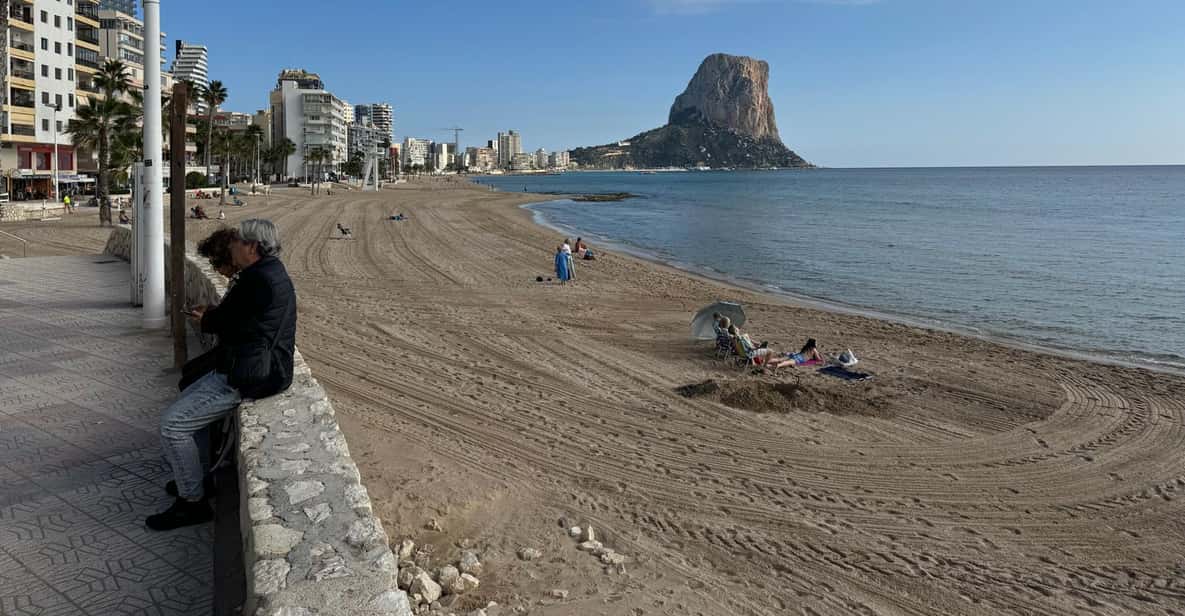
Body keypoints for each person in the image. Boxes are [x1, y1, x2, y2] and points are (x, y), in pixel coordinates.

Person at [147, 219, 297, 531]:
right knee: (189, 395)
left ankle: (192, 503)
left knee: (172, 426)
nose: (231, 246)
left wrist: (207, 318)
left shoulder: (257, 280)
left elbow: (225, 322)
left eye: (236, 242)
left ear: (251, 247)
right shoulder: (270, 272)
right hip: (253, 366)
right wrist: (215, 316)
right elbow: (239, 320)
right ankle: (198, 480)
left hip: (251, 374)